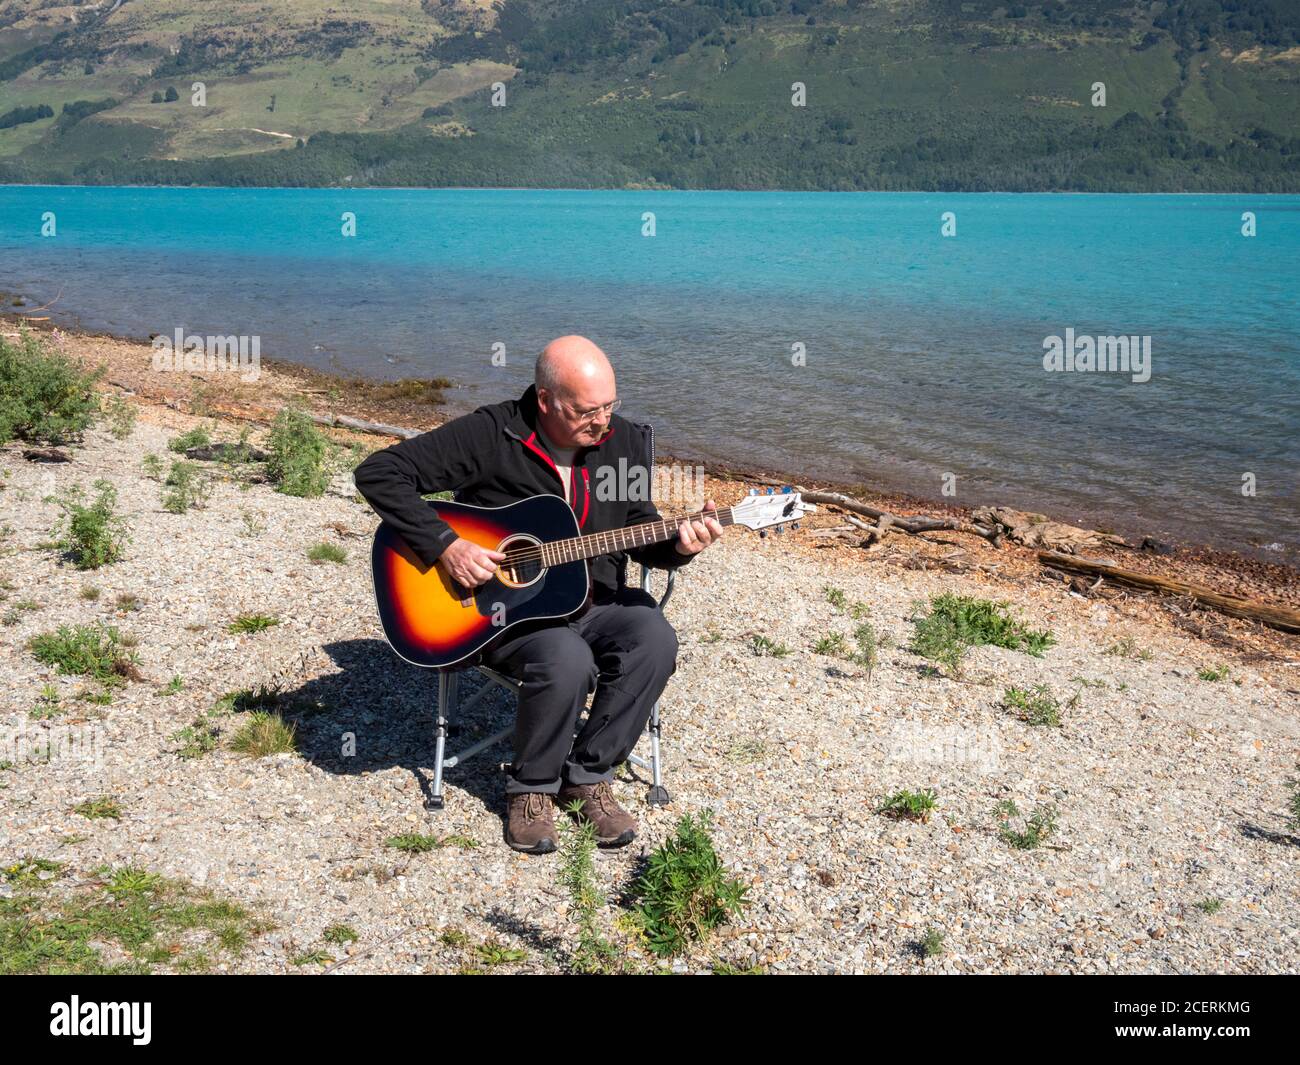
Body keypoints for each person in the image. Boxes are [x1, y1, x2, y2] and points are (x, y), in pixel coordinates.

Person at [354, 335, 724, 853]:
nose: (602, 423)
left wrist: (684, 546)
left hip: (596, 600)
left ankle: (589, 776)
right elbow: (379, 472)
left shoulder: (623, 445)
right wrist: (446, 546)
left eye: (609, 407)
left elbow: (642, 533)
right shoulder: (493, 434)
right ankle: (530, 790)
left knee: (654, 639)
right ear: (546, 400)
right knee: (565, 656)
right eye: (587, 411)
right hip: (504, 611)